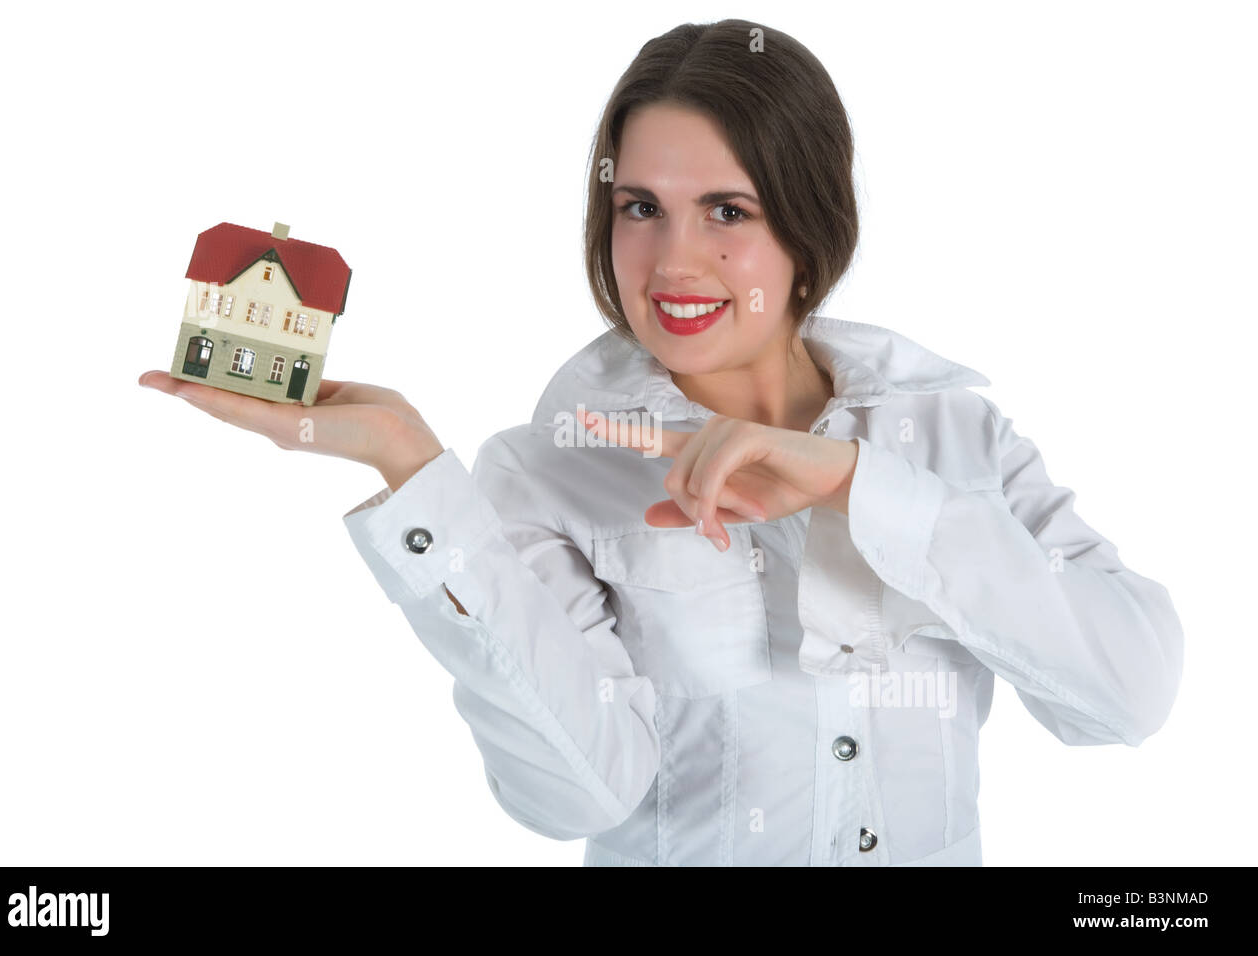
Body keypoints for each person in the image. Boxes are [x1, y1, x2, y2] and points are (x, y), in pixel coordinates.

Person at [138, 19, 1184, 866]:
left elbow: (1127, 694)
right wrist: (413, 474)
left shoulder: (952, 431)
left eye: (727, 208)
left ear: (810, 232)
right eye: (641, 206)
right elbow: (579, 793)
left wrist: (862, 489)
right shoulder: (545, 468)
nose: (673, 259)